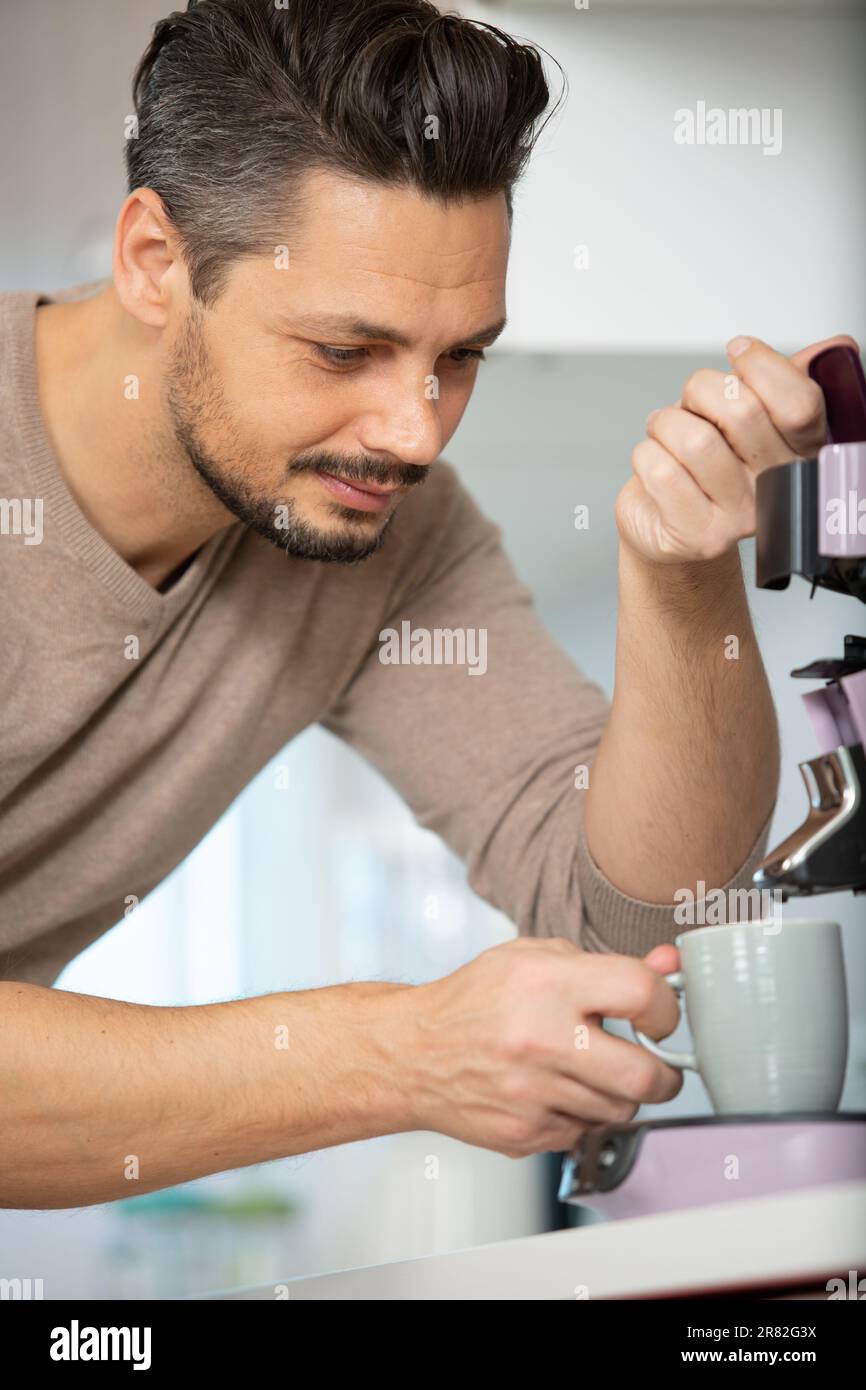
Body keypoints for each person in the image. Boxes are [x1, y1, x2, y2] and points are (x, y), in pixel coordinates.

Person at [0, 0, 851, 1209]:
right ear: (156, 263)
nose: (412, 433)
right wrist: (393, 1055)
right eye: (344, 352)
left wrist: (679, 576)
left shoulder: (389, 534)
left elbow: (641, 914)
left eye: (460, 357)